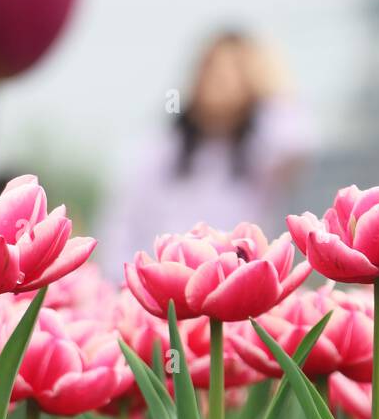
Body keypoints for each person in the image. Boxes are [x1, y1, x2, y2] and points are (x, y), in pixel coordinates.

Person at [98, 31, 316, 281]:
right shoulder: (159, 149)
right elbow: (120, 229)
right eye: (214, 67)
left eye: (236, 70)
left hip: (239, 293)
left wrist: (276, 82)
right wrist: (127, 286)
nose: (222, 78)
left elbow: (297, 143)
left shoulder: (261, 153)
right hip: (161, 294)